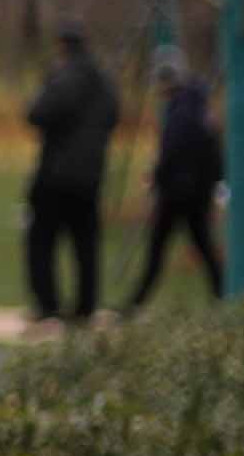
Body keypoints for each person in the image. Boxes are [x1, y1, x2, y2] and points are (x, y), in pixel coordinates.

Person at [20, 28, 119, 331]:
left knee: (41, 240)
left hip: (56, 174)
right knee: (85, 243)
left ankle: (47, 304)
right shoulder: (103, 81)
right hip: (91, 174)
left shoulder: (63, 78)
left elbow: (37, 113)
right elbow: (113, 116)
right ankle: (85, 307)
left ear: (62, 47)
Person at [125, 57, 224, 308]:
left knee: (160, 247)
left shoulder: (182, 110)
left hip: (179, 192)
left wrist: (157, 176)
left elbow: (173, 150)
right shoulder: (198, 106)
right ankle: (222, 297)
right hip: (195, 191)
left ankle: (136, 303)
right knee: (202, 247)